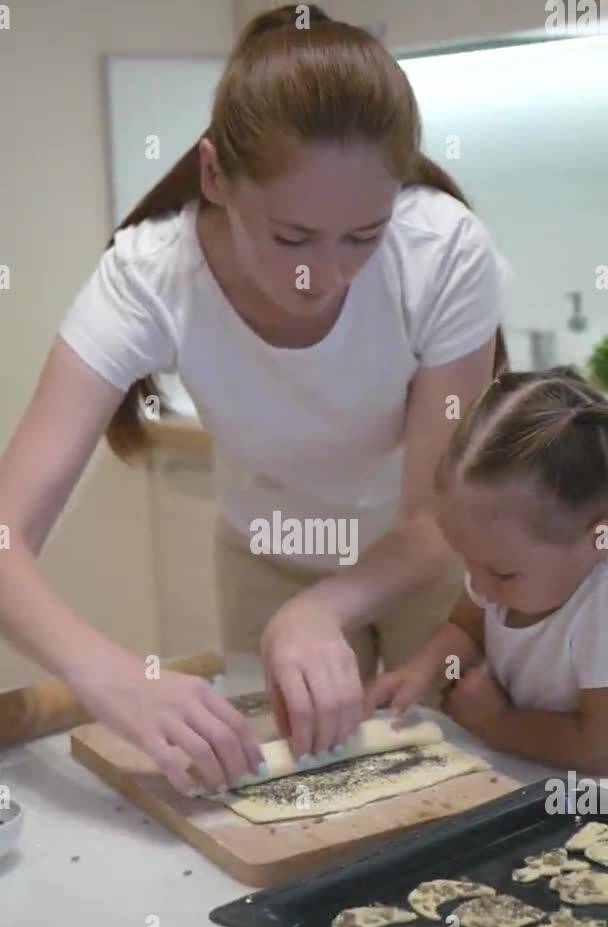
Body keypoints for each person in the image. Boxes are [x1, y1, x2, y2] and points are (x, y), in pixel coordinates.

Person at [0, 4, 512, 796]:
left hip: (424, 562)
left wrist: (320, 611)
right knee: (286, 796)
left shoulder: (442, 251)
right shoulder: (148, 277)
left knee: (444, 791)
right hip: (266, 556)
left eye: (364, 236)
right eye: (292, 238)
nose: (327, 276)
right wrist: (115, 679)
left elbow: (438, 517)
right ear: (215, 176)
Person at [367, 366, 608, 774]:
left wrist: (496, 723)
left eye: (502, 574)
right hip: (525, 771)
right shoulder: (499, 564)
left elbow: (599, 750)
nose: (478, 585)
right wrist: (420, 670)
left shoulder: (599, 610)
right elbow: (468, 626)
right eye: (466, 560)